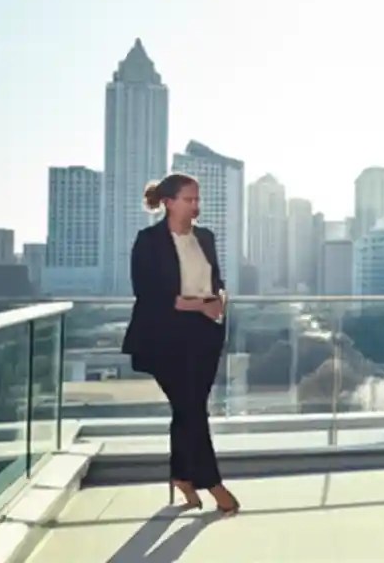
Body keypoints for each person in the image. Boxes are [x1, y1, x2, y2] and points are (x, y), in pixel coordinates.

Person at [121, 173, 240, 515]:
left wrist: (218, 300)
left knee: (188, 409)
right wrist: (199, 304)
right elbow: (149, 293)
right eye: (189, 199)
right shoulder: (148, 240)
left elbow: (215, 280)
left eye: (197, 199)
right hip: (163, 338)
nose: (195, 206)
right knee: (192, 409)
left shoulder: (205, 237)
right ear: (168, 202)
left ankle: (182, 476)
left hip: (204, 335)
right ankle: (213, 483)